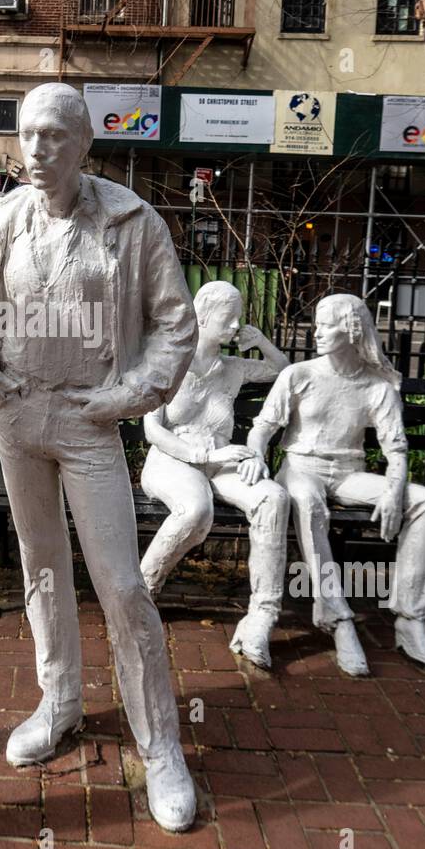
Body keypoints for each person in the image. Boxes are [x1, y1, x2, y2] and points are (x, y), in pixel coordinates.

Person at [0, 82, 200, 832]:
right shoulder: (3, 224)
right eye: (28, 134)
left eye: (55, 135)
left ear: (84, 143)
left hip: (93, 418)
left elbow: (176, 325)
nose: (37, 150)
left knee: (122, 585)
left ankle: (160, 744)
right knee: (41, 566)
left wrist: (131, 396)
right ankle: (59, 698)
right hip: (18, 416)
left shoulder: (130, 220)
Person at [245, 293, 425, 676]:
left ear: (352, 330)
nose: (316, 332)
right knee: (306, 501)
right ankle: (338, 619)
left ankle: (411, 619)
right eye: (317, 324)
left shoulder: (377, 386)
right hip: (301, 468)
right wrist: (256, 456)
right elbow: (263, 429)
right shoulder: (299, 374)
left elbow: (396, 449)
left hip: (349, 473)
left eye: (325, 325)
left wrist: (392, 490)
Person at [139, 281, 290, 670]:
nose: (237, 323)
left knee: (272, 498)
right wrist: (204, 453)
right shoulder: (169, 361)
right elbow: (152, 430)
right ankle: (140, 595)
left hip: (222, 461)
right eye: (231, 315)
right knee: (195, 510)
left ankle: (261, 617)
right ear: (203, 316)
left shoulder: (234, 368)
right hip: (172, 459)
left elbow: (285, 373)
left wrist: (261, 342)